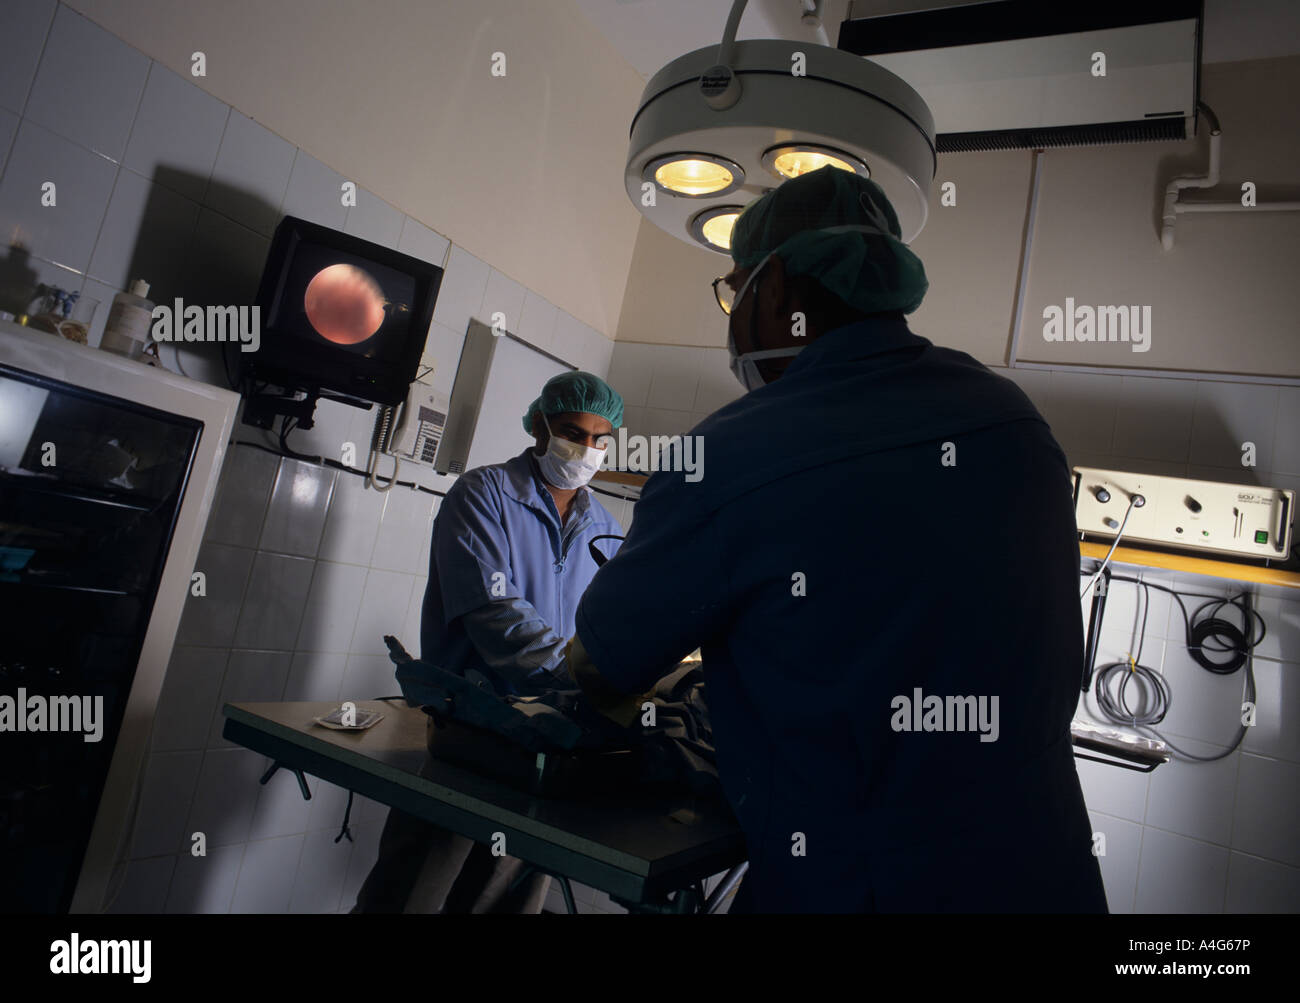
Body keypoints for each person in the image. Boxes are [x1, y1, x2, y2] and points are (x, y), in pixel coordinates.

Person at [565, 166, 1108, 913]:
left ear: (777, 288)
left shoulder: (730, 454)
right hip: (1051, 879)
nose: (732, 316)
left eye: (735, 290)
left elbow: (600, 666)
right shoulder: (1013, 419)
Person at [352, 371, 626, 913]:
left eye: (600, 439)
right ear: (540, 425)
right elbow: (493, 611)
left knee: (504, 896)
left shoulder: (604, 525)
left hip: (549, 743)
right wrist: (581, 683)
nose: (586, 449)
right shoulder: (484, 494)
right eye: (573, 432)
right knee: (412, 891)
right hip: (469, 733)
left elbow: (604, 625)